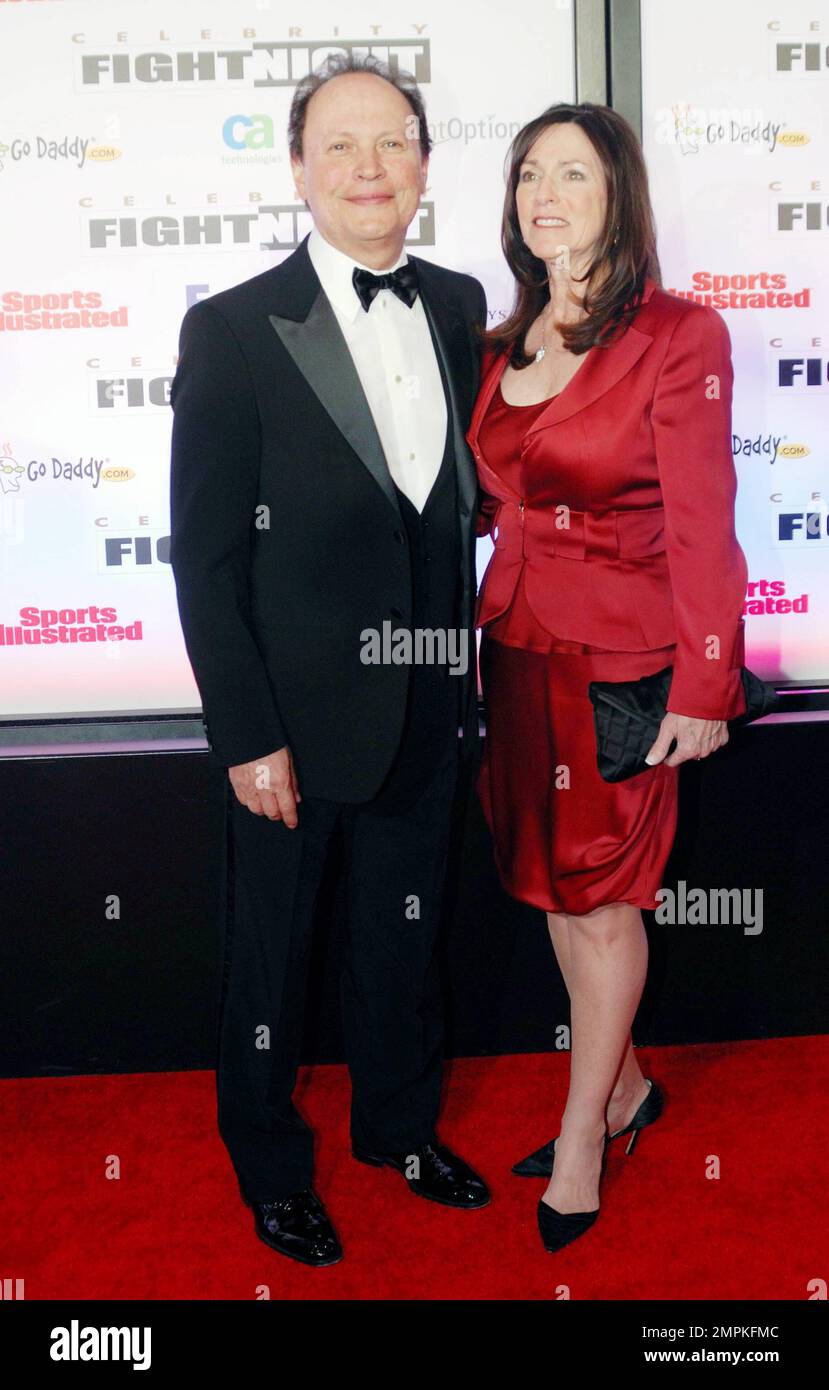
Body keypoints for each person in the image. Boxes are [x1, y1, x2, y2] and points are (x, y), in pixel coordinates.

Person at [169, 53, 490, 1269]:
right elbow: (203, 559)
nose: (370, 167)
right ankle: (268, 1166)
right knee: (272, 961)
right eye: (342, 145)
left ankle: (400, 1132)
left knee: (402, 939)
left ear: (421, 165)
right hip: (290, 729)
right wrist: (246, 732)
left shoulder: (459, 304)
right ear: (297, 168)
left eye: (394, 142)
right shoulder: (234, 328)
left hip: (426, 701)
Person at [467, 102, 748, 1254]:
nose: (544, 194)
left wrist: (704, 682)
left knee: (605, 898)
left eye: (571, 174)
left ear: (616, 195)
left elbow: (704, 524)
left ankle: (583, 1134)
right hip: (518, 649)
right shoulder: (501, 342)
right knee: (549, 885)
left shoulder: (679, 337)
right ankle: (623, 1082)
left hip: (627, 666)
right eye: (530, 173)